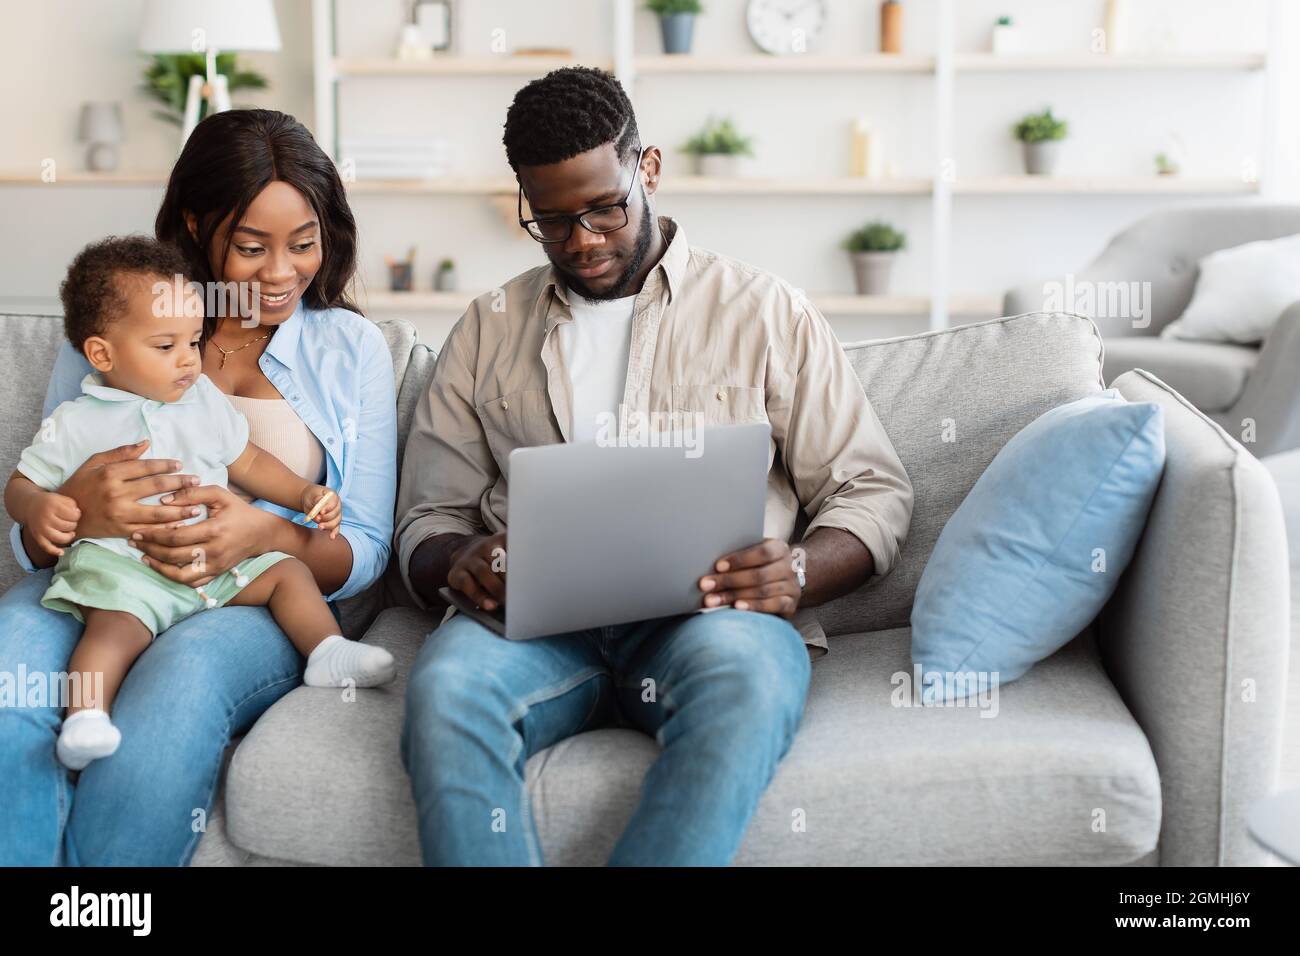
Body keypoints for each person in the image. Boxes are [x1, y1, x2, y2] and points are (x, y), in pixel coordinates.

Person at [396, 67, 914, 866]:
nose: (584, 240)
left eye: (605, 207)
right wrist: (456, 559)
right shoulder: (487, 327)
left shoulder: (765, 311)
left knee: (746, 686)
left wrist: (801, 570)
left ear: (649, 169)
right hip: (535, 629)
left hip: (709, 624)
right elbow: (428, 519)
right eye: (553, 221)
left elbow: (871, 489)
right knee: (445, 693)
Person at [0, 109, 397, 865]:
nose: (280, 274)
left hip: (248, 590)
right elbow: (37, 517)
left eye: (303, 244)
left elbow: (370, 547)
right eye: (251, 247)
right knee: (8, 673)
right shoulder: (115, 326)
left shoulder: (353, 351)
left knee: (173, 697)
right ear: (195, 222)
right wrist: (75, 514)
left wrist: (268, 532)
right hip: (100, 577)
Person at [4, 236, 396, 771]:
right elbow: (23, 484)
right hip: (126, 570)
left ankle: (326, 651)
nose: (189, 361)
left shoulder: (200, 399)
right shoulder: (77, 421)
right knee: (111, 630)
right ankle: (86, 716)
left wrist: (305, 494)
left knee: (286, 574)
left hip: (216, 565)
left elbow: (250, 461)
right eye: (166, 347)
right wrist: (39, 509)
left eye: (193, 341)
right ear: (102, 354)